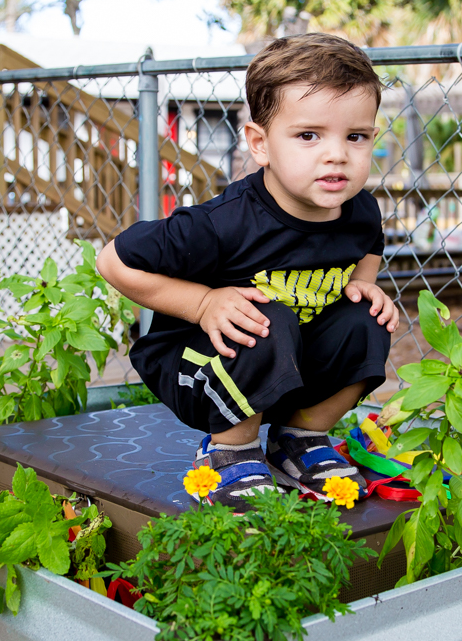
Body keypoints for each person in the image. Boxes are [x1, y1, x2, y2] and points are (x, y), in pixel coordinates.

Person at [97, 33, 400, 511]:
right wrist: (203, 303)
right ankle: (230, 452)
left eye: (355, 136)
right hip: (198, 366)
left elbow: (370, 245)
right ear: (260, 144)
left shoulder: (357, 209)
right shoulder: (223, 223)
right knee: (264, 315)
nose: (337, 154)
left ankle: (297, 440)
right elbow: (112, 260)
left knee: (367, 320)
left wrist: (364, 284)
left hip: (290, 367)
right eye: (308, 135)